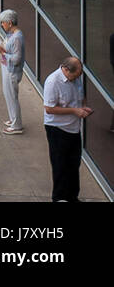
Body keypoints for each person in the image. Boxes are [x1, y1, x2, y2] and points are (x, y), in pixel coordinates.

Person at [42, 56, 90, 202]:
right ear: (66, 70)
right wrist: (75, 111)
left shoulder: (76, 78)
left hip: (74, 129)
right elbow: (49, 109)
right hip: (58, 129)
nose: (77, 78)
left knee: (74, 164)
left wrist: (83, 107)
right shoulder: (53, 82)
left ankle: (72, 196)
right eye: (75, 75)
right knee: (60, 165)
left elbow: (81, 96)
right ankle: (59, 198)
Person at [0, 9, 26, 134]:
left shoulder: (17, 37)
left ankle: (17, 125)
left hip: (12, 71)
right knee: (8, 94)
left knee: (12, 96)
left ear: (10, 22)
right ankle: (13, 119)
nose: (2, 25)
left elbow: (16, 59)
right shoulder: (11, 34)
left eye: (3, 23)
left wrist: (3, 52)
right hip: (7, 68)